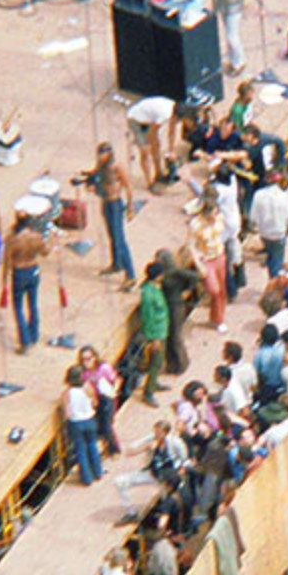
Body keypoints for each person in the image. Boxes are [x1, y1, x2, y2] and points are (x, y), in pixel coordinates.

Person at [78, 142, 135, 291]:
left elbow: (128, 186)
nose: (100, 157)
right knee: (111, 235)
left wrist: (130, 207)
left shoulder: (117, 167)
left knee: (119, 239)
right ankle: (116, 263)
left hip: (116, 203)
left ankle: (130, 275)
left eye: (103, 154)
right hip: (105, 202)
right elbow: (94, 174)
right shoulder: (100, 165)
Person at [3, 211, 50, 353]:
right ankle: (34, 335)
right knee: (33, 304)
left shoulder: (12, 238)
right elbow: (45, 252)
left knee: (18, 307)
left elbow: (7, 260)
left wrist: (4, 280)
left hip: (19, 271)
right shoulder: (36, 236)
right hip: (33, 269)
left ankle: (25, 341)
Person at [187, 199, 230, 332]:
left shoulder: (219, 219)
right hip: (206, 259)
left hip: (219, 255)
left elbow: (223, 232)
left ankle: (217, 317)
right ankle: (217, 318)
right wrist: (199, 264)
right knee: (214, 290)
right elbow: (191, 246)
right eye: (213, 213)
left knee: (221, 289)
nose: (215, 216)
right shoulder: (196, 225)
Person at [251, 172, 288, 279]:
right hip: (279, 234)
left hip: (264, 234)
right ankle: (274, 281)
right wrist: (287, 232)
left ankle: (271, 272)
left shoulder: (258, 195)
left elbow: (253, 218)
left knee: (271, 255)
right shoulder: (283, 196)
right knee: (277, 261)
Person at [125, 95, 179, 187]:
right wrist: (151, 145)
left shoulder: (175, 111)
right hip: (136, 120)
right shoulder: (165, 113)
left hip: (148, 120)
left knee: (156, 147)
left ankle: (158, 174)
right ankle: (149, 182)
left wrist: (171, 151)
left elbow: (171, 132)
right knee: (145, 151)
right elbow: (151, 134)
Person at [63, 364, 102, 484]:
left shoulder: (67, 393)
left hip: (76, 423)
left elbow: (67, 413)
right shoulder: (87, 387)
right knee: (92, 445)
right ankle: (98, 472)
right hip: (89, 419)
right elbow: (95, 403)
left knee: (80, 449)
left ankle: (86, 478)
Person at [79, 346, 121, 456]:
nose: (86, 362)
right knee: (99, 424)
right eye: (83, 359)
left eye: (89, 359)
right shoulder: (84, 374)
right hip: (95, 399)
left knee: (107, 424)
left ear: (95, 357)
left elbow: (116, 380)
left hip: (107, 397)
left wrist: (114, 390)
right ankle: (105, 445)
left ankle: (114, 449)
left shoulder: (103, 368)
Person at [138, 262, 170, 407]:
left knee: (158, 361)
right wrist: (153, 338)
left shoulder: (154, 289)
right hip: (156, 333)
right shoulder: (148, 295)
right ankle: (148, 392)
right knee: (156, 362)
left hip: (162, 330)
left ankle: (154, 382)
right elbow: (148, 318)